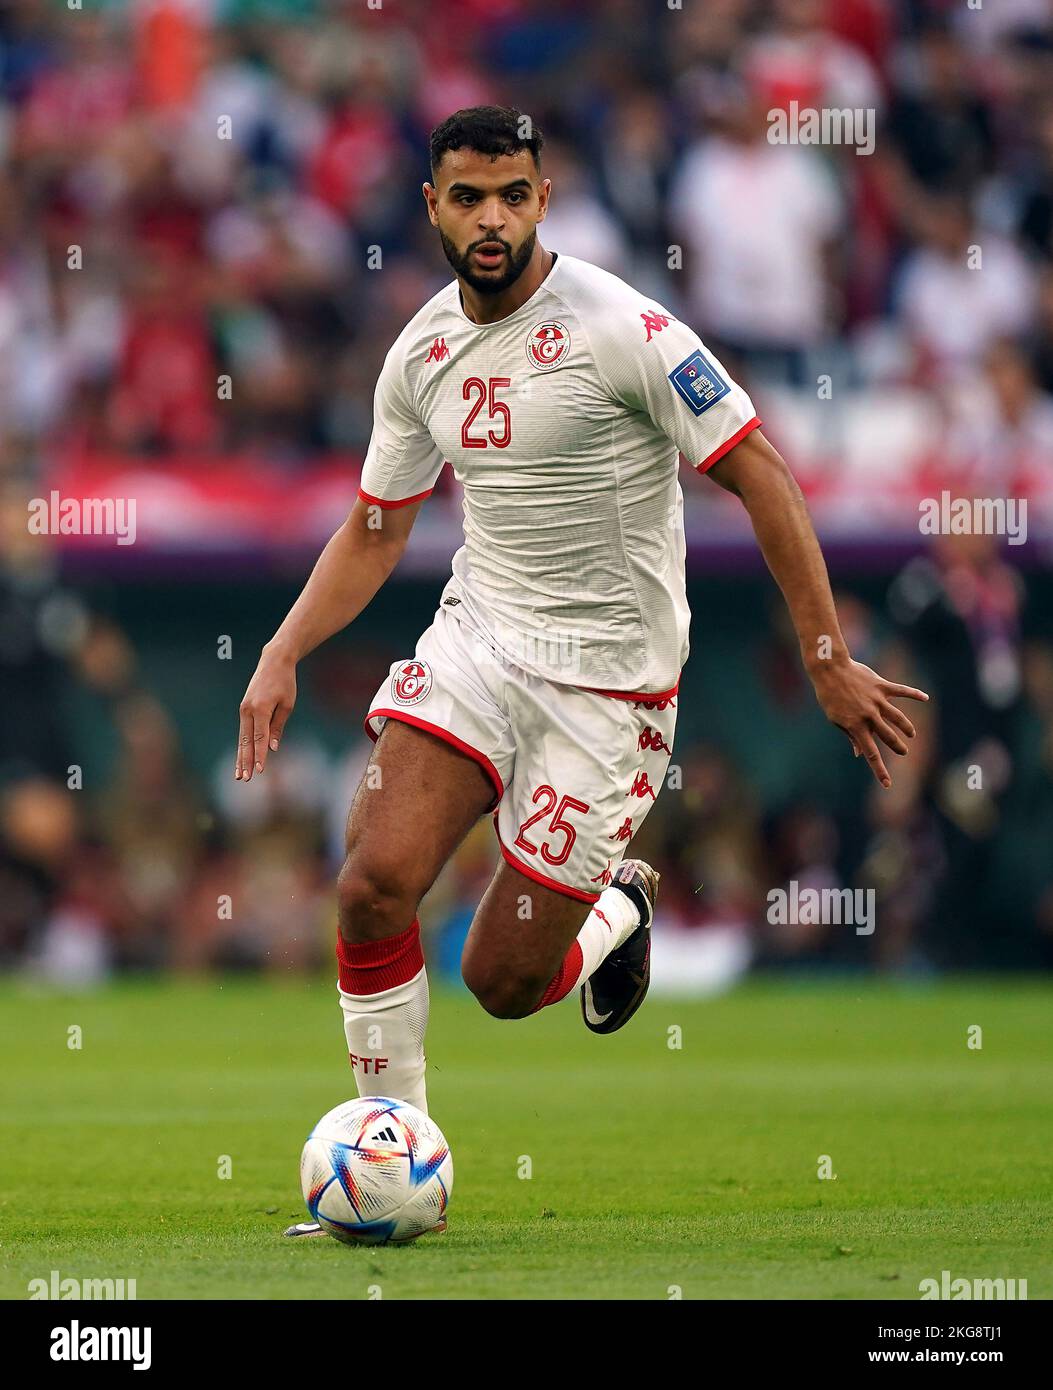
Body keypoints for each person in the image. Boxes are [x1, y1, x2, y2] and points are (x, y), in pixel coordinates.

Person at [234, 106, 928, 1238]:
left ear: (544, 198)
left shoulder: (625, 328)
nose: (493, 217)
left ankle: (616, 908)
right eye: (469, 196)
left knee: (502, 982)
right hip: (481, 641)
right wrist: (279, 648)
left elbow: (762, 474)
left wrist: (828, 657)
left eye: (513, 193)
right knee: (369, 884)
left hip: (608, 690)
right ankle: (396, 1162)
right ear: (433, 207)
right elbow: (373, 528)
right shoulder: (419, 354)